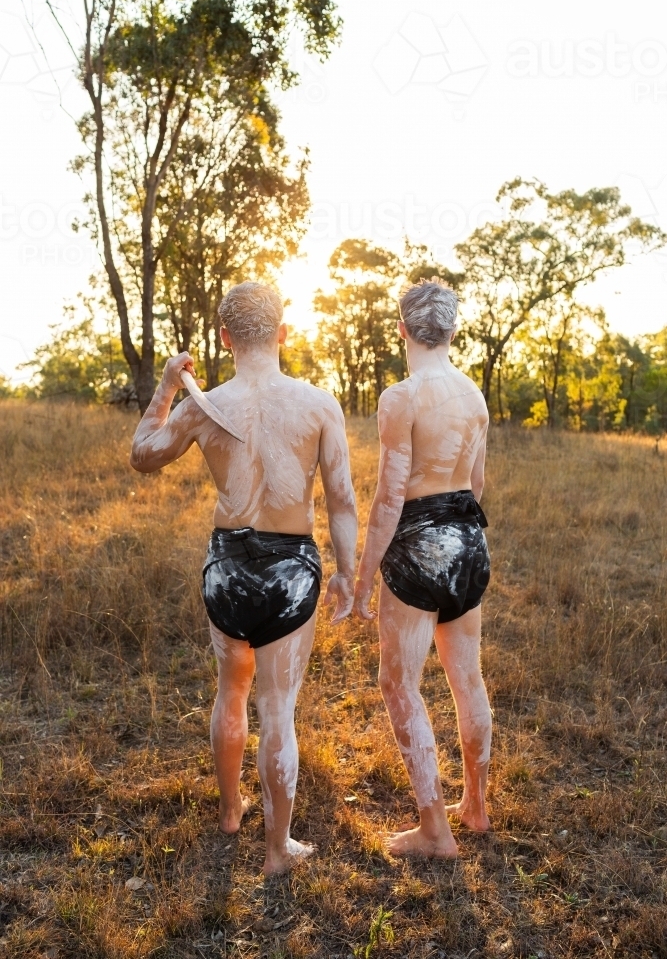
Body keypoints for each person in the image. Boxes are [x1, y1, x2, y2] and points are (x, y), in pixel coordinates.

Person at [130, 282, 357, 875]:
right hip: (291, 568)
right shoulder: (318, 404)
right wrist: (348, 573)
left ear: (225, 338)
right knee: (277, 706)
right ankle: (277, 849)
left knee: (231, 690)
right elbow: (342, 502)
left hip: (226, 567)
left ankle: (232, 812)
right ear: (283, 333)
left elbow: (143, 454)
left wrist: (164, 389)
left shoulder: (204, 406)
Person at [354, 279, 492, 859]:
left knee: (398, 683)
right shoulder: (474, 397)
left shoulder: (401, 398)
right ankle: (477, 806)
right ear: (453, 330)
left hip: (418, 543)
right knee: (468, 679)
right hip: (468, 540)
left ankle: (435, 831)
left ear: (403, 329)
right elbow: (477, 485)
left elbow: (389, 499)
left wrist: (362, 578)